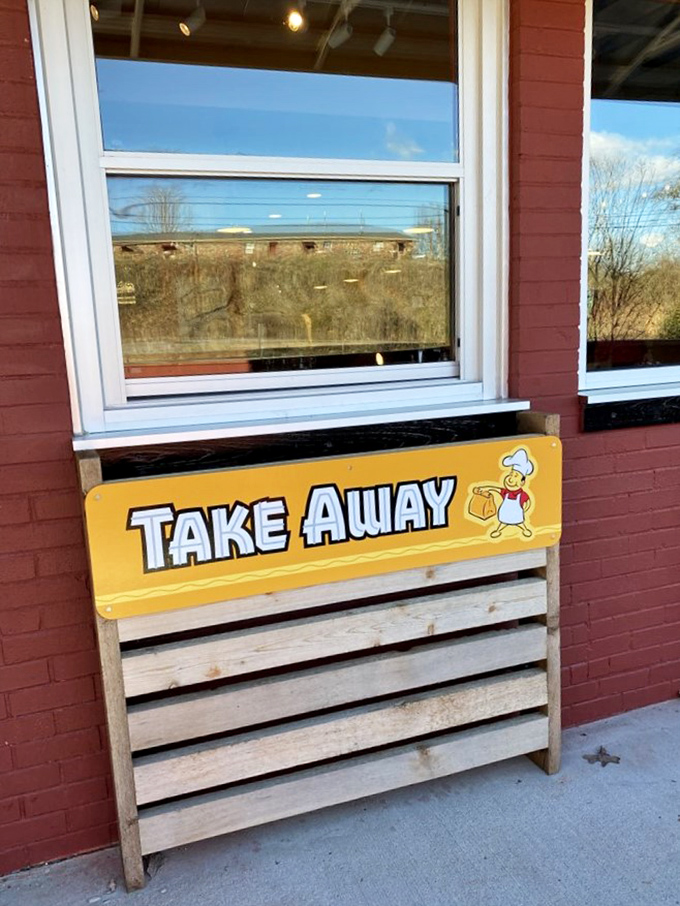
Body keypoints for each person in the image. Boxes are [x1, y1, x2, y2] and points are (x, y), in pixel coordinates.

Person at [473, 448, 535, 539]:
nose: (510, 478)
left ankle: (525, 529)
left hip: (517, 515)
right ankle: (498, 530)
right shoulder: (505, 492)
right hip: (504, 515)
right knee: (503, 523)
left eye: (515, 476)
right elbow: (494, 489)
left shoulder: (522, 494)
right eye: (511, 474)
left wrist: (525, 509)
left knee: (520, 524)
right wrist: (483, 489)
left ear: (522, 482)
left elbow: (528, 503)